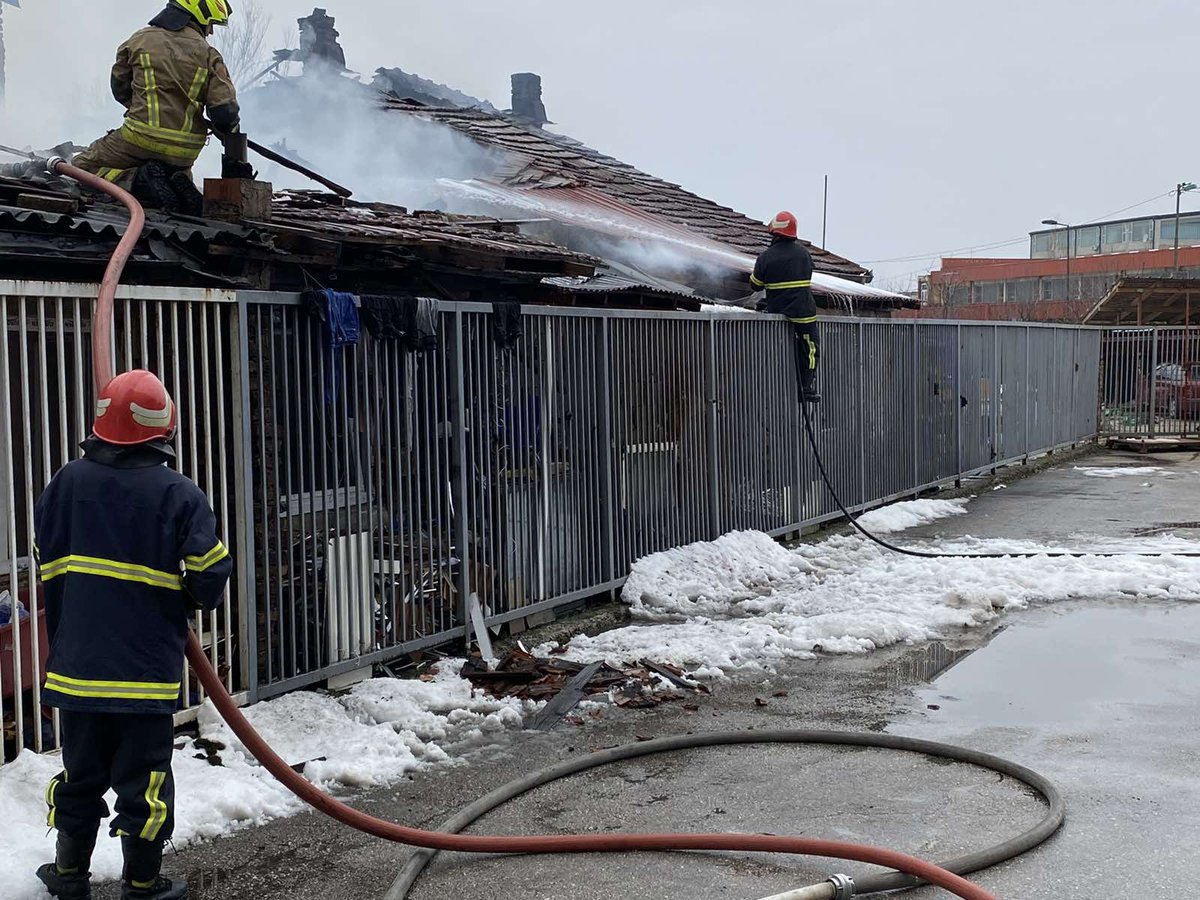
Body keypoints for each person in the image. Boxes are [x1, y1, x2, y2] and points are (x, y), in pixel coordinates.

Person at [33, 370, 233, 900]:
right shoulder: (179, 494)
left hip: (76, 672)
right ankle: (143, 884)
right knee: (144, 784)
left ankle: (69, 876)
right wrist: (185, 598)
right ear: (163, 427)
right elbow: (210, 572)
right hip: (143, 678)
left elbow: (47, 561)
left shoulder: (65, 483)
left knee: (79, 776)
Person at [72, 0, 241, 215]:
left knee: (79, 169)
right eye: (211, 25)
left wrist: (140, 108)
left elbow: (119, 87)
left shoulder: (139, 40)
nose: (211, 32)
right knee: (175, 183)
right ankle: (174, 182)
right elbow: (224, 113)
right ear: (199, 17)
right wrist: (233, 148)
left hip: (138, 138)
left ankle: (137, 181)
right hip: (184, 153)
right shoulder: (209, 54)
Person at [750, 210, 821, 403]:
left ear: (774, 232)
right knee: (810, 348)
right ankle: (806, 387)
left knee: (777, 350)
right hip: (802, 312)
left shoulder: (765, 257)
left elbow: (755, 284)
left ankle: (774, 385)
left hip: (777, 311)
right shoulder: (804, 254)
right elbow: (807, 276)